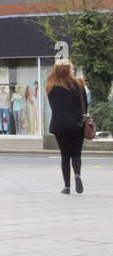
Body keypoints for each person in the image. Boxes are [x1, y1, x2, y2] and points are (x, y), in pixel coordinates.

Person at [46, 59, 88, 194]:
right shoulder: (79, 84)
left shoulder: (50, 87)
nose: (73, 70)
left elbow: (53, 107)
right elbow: (85, 105)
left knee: (65, 155)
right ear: (66, 70)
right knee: (76, 153)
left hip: (59, 125)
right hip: (77, 124)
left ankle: (67, 186)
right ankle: (77, 174)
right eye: (71, 68)